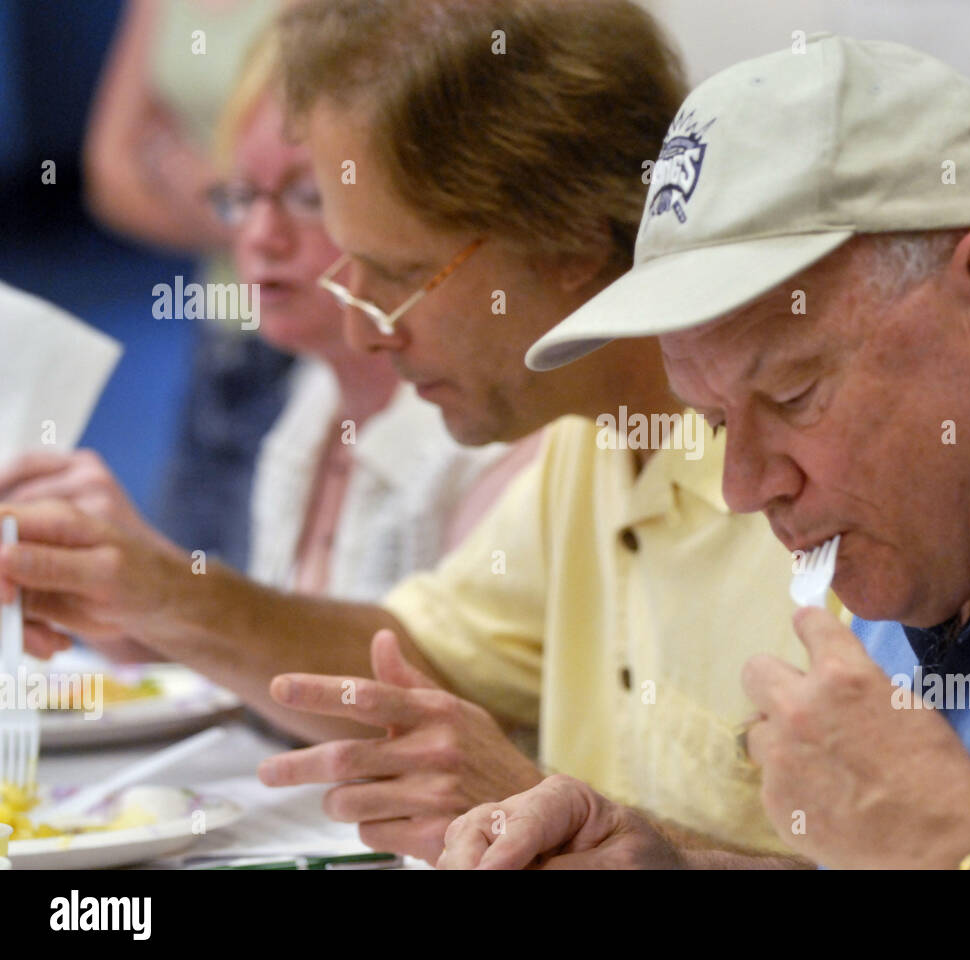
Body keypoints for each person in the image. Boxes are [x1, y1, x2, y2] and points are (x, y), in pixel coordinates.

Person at [438, 36, 970, 870]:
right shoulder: (952, 519)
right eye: (716, 423)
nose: (744, 488)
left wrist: (967, 849)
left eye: (794, 396)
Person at [0, 0, 815, 863]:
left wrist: (541, 806)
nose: (364, 330)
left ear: (568, 240)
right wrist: (162, 593)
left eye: (401, 274)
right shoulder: (592, 436)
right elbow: (417, 662)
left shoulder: (807, 490)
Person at [0, 26, 531, 651]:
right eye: (240, 197)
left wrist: (158, 585)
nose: (259, 237)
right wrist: (92, 583)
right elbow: (266, 672)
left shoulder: (485, 432)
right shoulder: (309, 400)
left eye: (309, 197)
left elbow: (421, 691)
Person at [84, 0, 291, 571]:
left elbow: (349, 190)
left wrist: (173, 164)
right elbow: (110, 177)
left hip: (324, 335)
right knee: (191, 572)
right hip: (223, 327)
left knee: (287, 581)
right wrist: (253, 215)